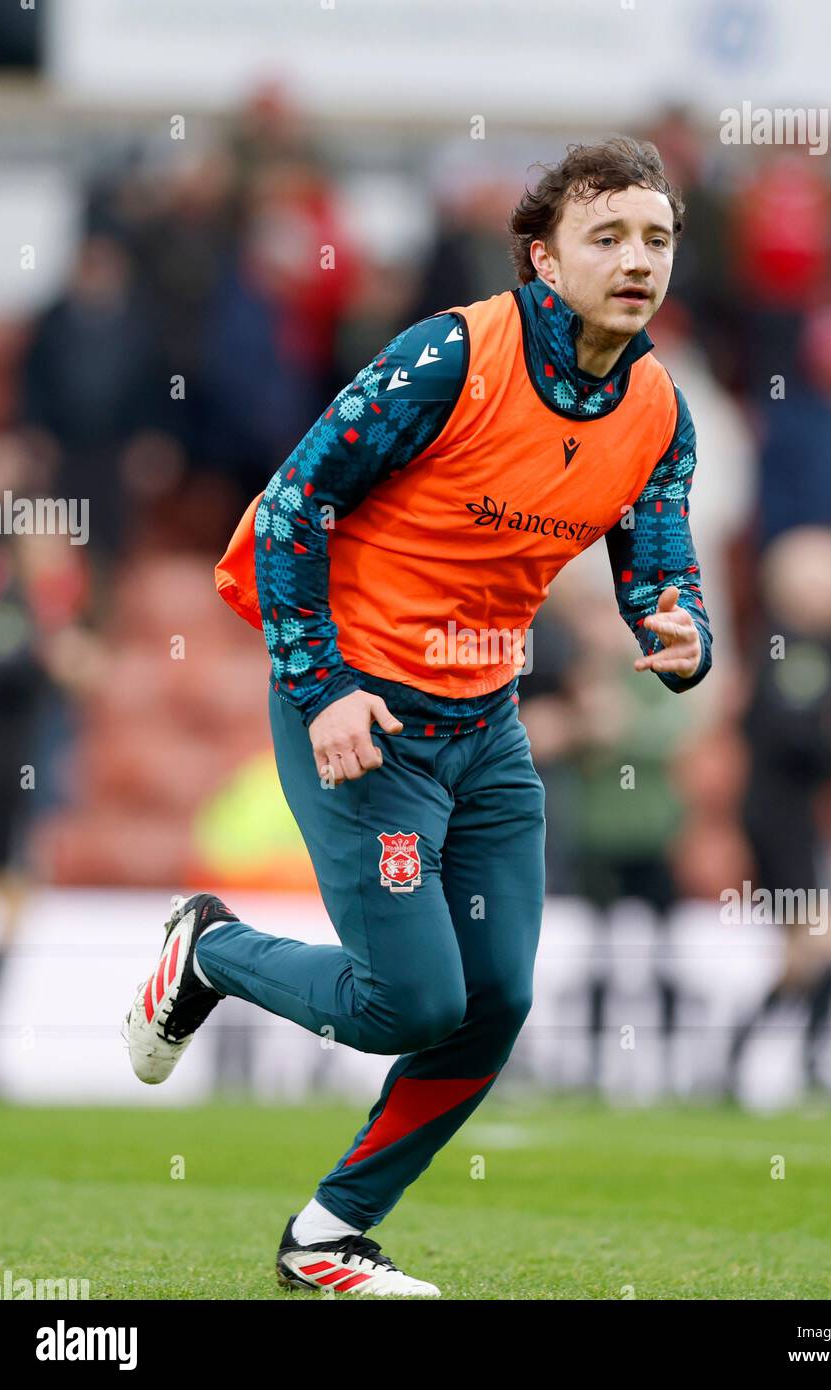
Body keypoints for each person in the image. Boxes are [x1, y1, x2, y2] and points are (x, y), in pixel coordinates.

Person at [124, 135, 713, 1297]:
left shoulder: (657, 408)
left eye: (657, 239)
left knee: (495, 1000)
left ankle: (329, 1234)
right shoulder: (451, 355)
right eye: (609, 237)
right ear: (545, 260)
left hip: (485, 726)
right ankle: (210, 951)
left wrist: (680, 626)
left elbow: (657, 565)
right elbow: (295, 507)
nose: (638, 260)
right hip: (362, 713)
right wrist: (324, 685)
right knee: (416, 1003)